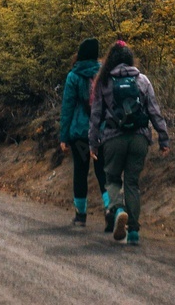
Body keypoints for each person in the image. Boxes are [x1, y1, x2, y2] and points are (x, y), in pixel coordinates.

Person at [89, 40, 169, 245]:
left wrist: (93, 143)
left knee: (112, 178)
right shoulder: (142, 80)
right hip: (139, 138)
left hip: (113, 139)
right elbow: (154, 111)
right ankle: (133, 231)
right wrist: (163, 138)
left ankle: (118, 210)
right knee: (132, 183)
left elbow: (96, 115)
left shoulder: (104, 81)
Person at [59, 37, 111, 228]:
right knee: (103, 171)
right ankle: (110, 208)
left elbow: (67, 108)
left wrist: (64, 136)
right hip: (101, 132)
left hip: (80, 134)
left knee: (80, 172)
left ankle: (80, 215)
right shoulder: (104, 73)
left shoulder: (73, 76)